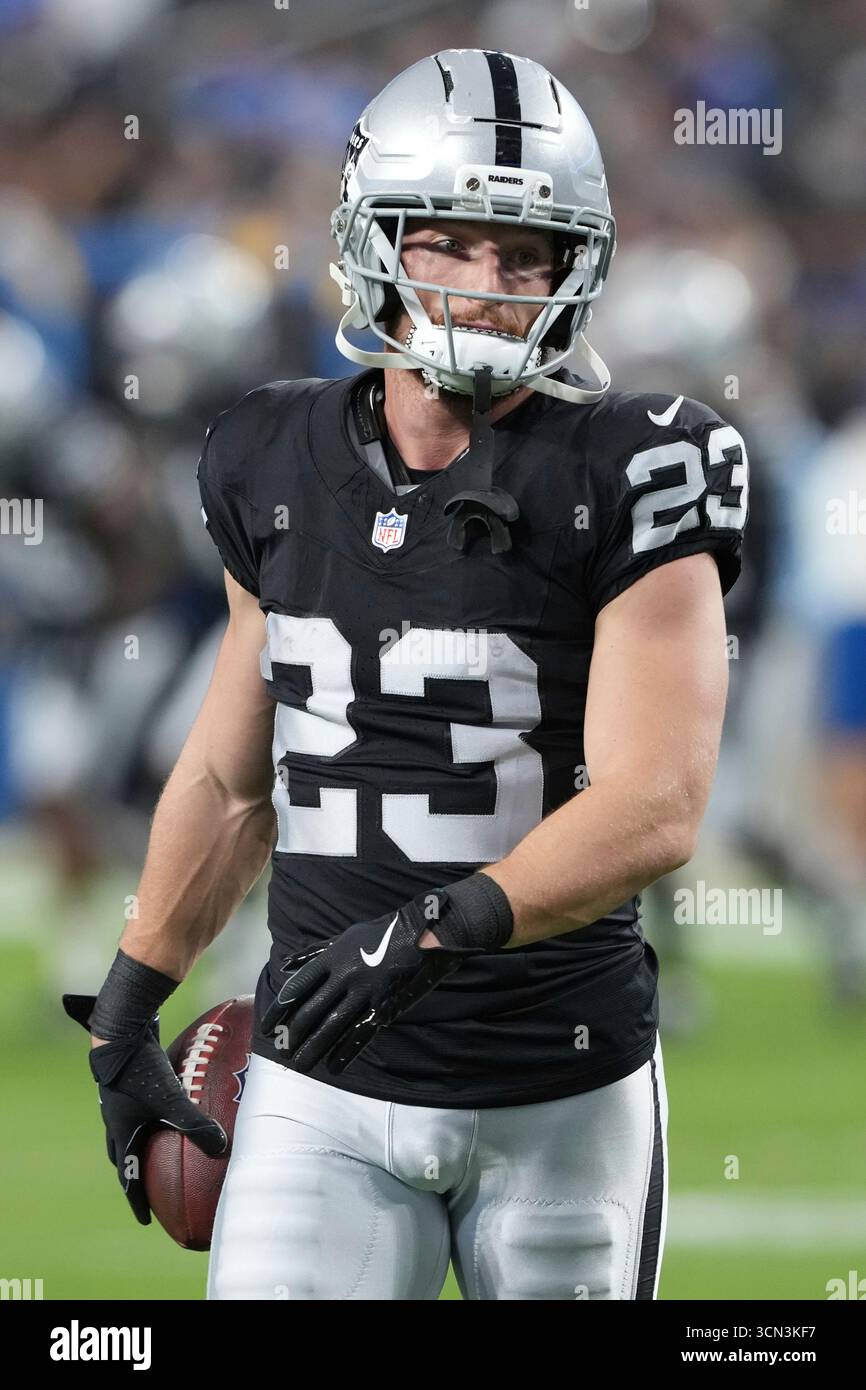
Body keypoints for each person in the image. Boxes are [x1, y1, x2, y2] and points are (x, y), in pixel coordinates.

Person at [64, 48, 748, 1300]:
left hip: (560, 1084)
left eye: (525, 255)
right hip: (319, 1082)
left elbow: (654, 802)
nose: (486, 288)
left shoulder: (635, 464)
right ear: (372, 241)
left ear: (575, 268)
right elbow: (230, 779)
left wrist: (431, 929)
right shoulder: (267, 453)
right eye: (448, 243)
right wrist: (130, 996)